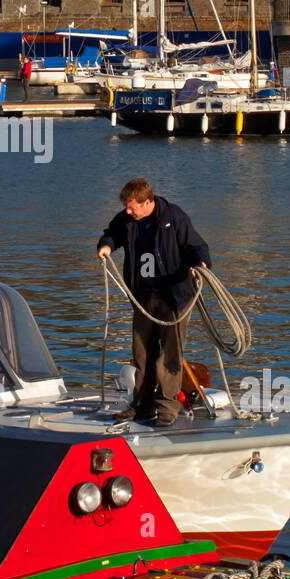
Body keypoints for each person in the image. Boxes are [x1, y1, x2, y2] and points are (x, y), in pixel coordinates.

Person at [97, 178, 211, 426]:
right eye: (126, 207)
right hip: (142, 297)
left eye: (132, 207)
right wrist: (106, 246)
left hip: (173, 298)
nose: (128, 211)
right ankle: (142, 405)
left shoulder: (174, 217)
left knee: (170, 354)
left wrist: (200, 265)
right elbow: (112, 234)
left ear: (147, 202)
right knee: (142, 353)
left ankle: (168, 406)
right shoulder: (127, 219)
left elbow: (198, 246)